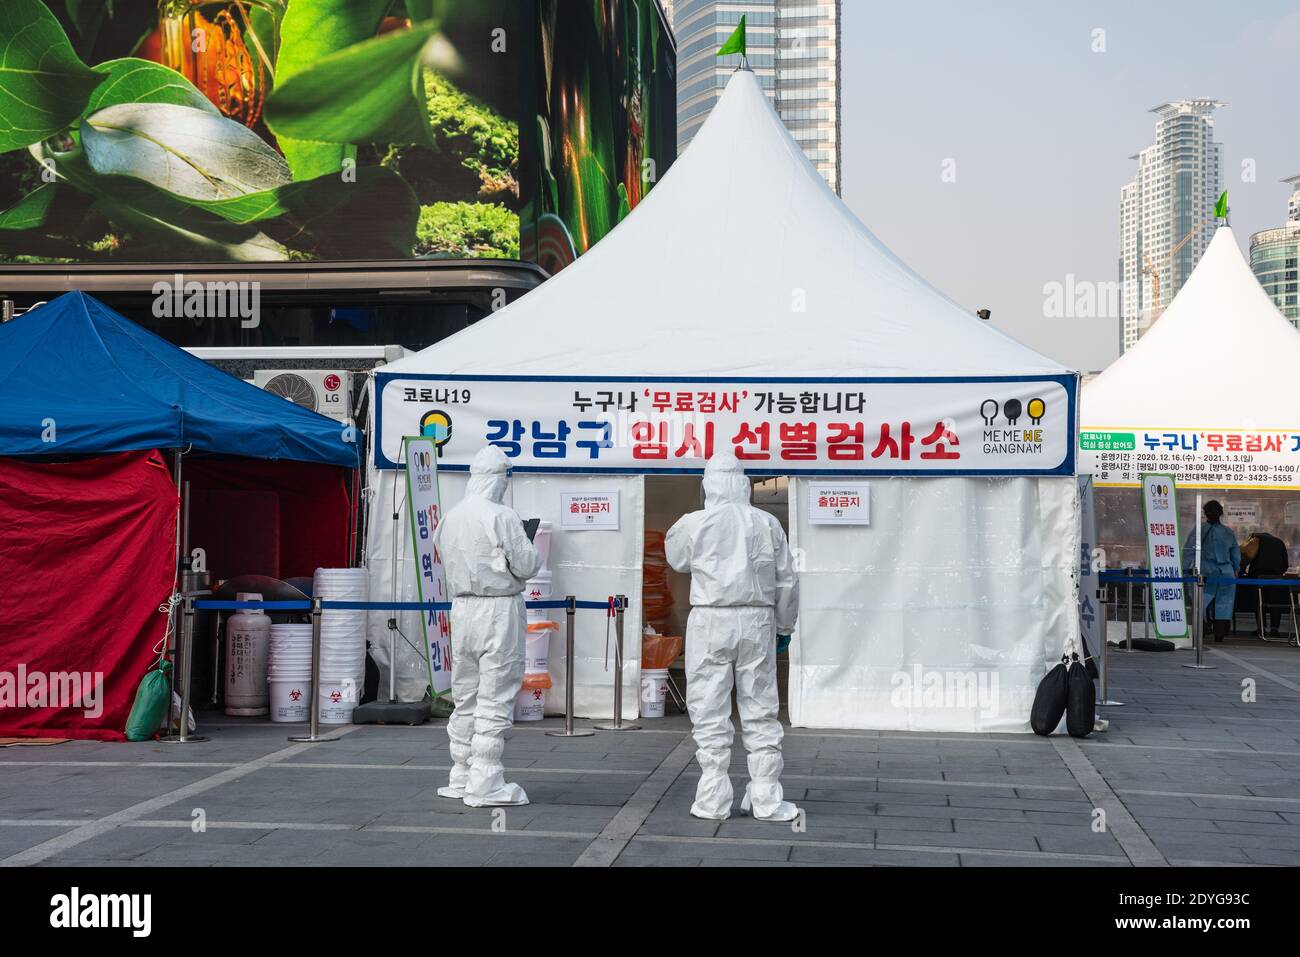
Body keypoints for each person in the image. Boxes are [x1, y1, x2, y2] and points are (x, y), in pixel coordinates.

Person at [665, 452, 800, 822]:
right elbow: (787, 581)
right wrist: (784, 627)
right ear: (743, 483)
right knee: (760, 709)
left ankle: (713, 798)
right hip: (757, 619)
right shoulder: (767, 522)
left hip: (709, 619)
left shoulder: (693, 523)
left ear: (707, 484)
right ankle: (766, 797)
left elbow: (676, 560)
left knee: (709, 709)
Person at [430, 445, 542, 806]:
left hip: (461, 608)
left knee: (466, 695)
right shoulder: (502, 515)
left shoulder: (451, 516)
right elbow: (527, 565)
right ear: (499, 479)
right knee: (496, 694)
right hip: (498, 609)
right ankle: (486, 780)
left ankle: (460, 774)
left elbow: (441, 553)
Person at [1182, 500, 1240, 643]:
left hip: (1205, 572)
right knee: (1224, 603)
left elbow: (1188, 551)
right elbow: (1236, 553)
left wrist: (1184, 570)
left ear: (1205, 513)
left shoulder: (1199, 530)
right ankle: (1219, 633)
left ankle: (1202, 629)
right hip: (1226, 572)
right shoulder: (1228, 532)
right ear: (1221, 514)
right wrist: (1236, 568)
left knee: (1200, 601)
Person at [1241, 531, 1290, 637]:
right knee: (1275, 603)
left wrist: (1243, 570)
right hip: (1276, 578)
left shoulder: (1255, 540)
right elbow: (1285, 563)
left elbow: (1246, 556)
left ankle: (1261, 628)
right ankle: (1274, 629)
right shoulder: (1279, 542)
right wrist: (1278, 572)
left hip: (1258, 577)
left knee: (1259, 603)